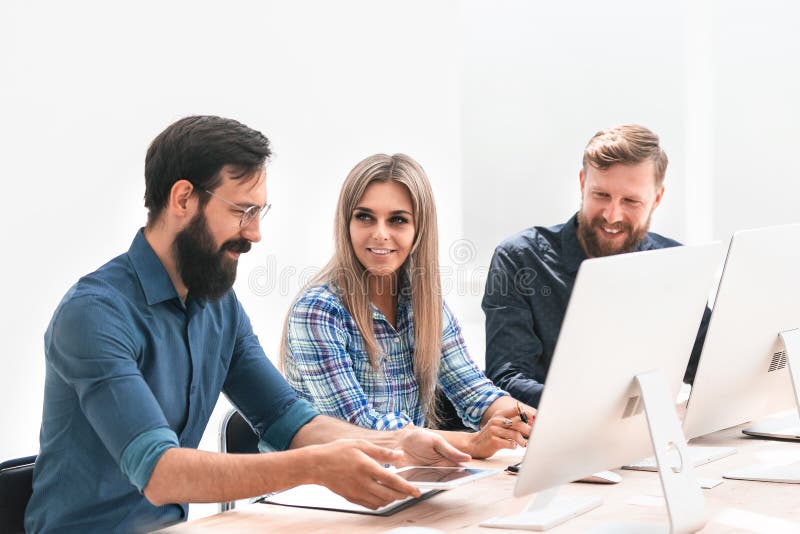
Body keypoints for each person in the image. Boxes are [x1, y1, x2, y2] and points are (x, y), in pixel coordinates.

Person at [25, 117, 470, 533]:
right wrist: (316, 465)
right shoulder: (94, 315)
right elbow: (160, 474)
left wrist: (395, 444)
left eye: (260, 213)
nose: (255, 233)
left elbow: (288, 419)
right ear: (183, 199)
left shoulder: (219, 306)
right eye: (243, 211)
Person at [281, 153, 534, 459]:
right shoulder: (318, 311)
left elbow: (474, 392)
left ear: (419, 230)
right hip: (320, 495)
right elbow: (360, 428)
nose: (380, 233)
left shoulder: (424, 307)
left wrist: (525, 420)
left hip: (404, 482)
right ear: (345, 223)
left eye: (398, 220)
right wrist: (471, 443)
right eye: (364, 217)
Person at [482, 124, 709, 408]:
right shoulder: (520, 259)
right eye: (601, 195)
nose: (612, 215)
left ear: (657, 199)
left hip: (650, 437)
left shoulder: (675, 263)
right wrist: (598, 407)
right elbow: (506, 379)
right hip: (554, 439)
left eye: (630, 201)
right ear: (582, 183)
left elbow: (709, 369)